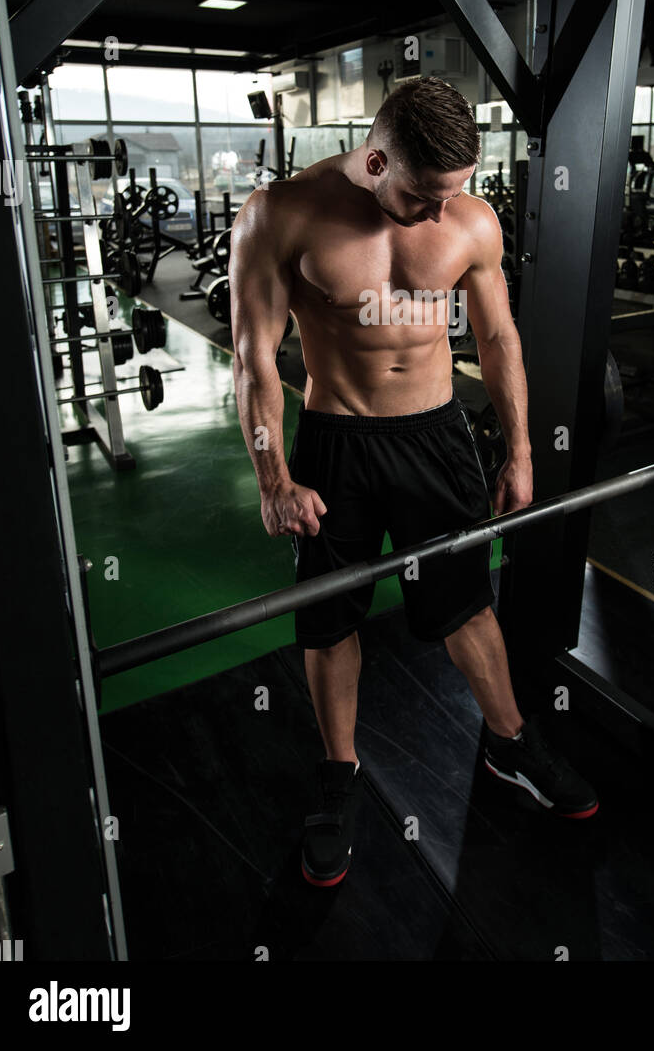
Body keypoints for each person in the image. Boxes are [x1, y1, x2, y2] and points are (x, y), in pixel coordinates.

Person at [229, 76, 598, 887]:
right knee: (328, 618)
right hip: (336, 445)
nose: (440, 215)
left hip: (435, 438)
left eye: (453, 196)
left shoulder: (469, 219)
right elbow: (254, 356)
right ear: (374, 159)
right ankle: (337, 776)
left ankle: (508, 743)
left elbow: (498, 337)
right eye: (423, 195)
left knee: (463, 599)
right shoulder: (280, 214)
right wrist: (272, 476)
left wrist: (520, 450)